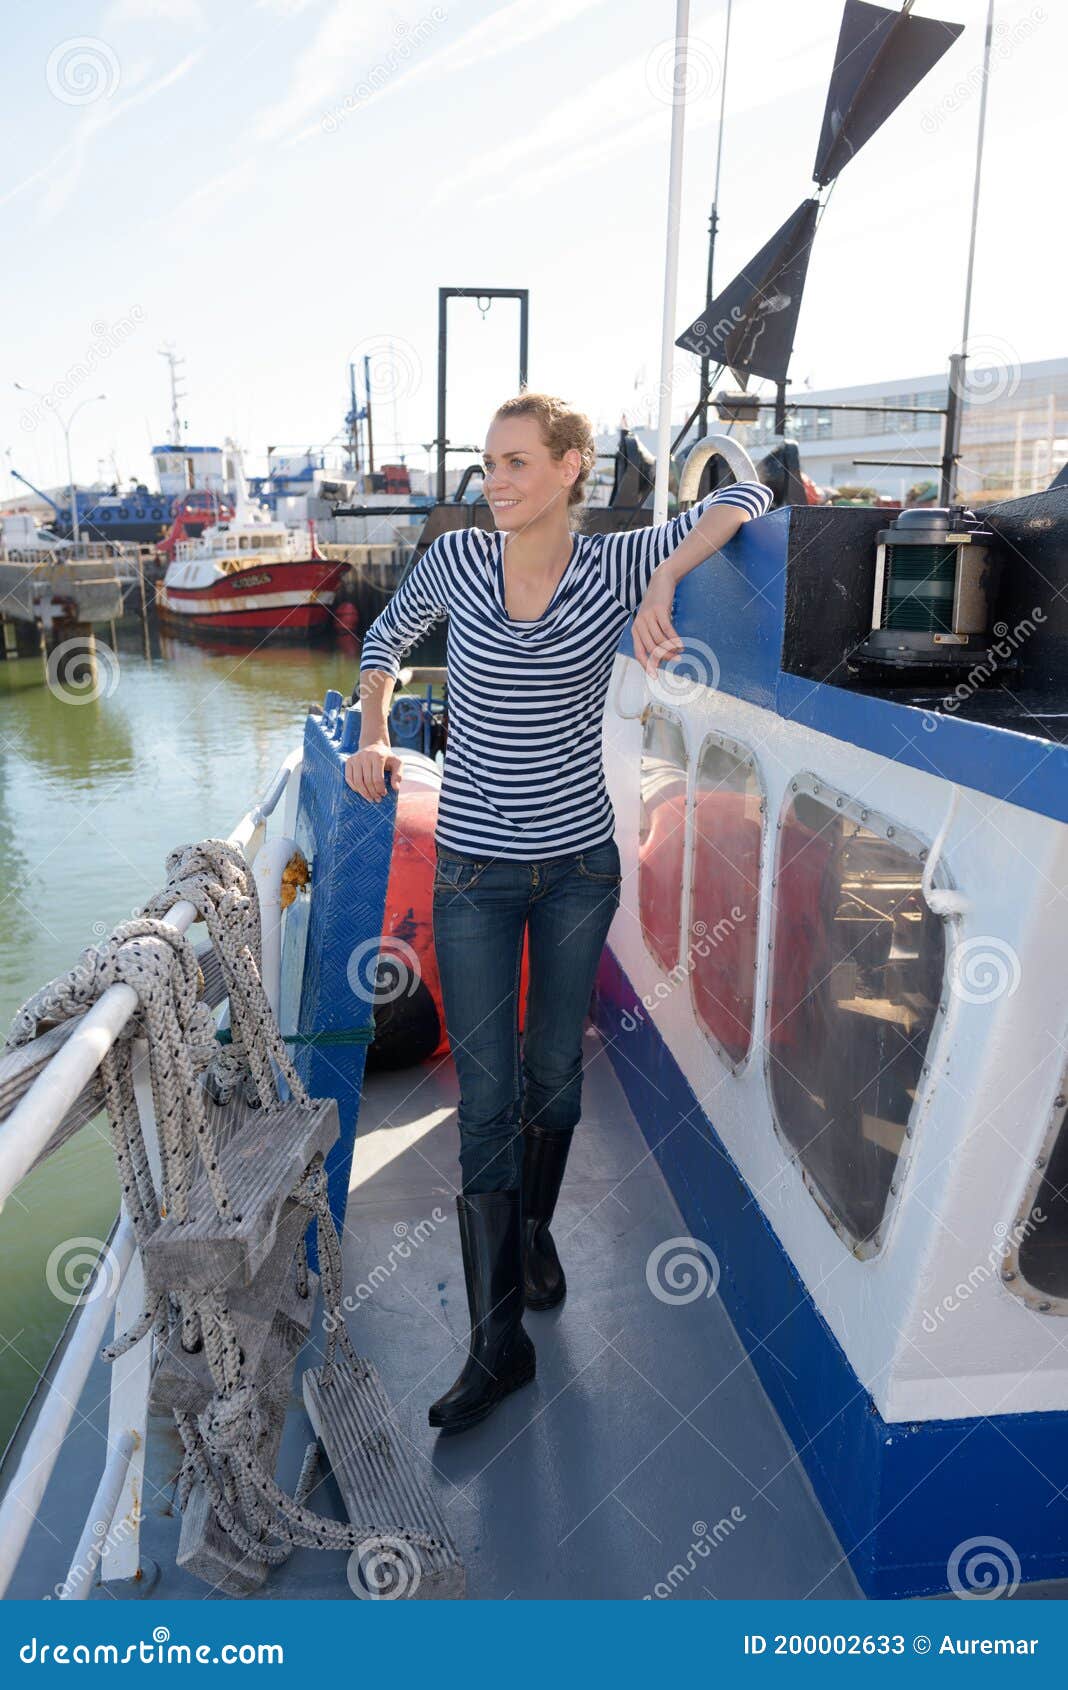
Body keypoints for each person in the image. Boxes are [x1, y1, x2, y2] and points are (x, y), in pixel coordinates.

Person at [345, 392, 773, 1434]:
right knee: (489, 1096)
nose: (496, 479)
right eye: (489, 462)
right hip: (477, 875)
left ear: (574, 467)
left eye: (519, 462)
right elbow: (384, 639)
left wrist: (668, 572)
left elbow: (749, 489)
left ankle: (532, 1230)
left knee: (552, 1077)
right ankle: (499, 1345)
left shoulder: (618, 562)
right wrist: (370, 727)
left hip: (580, 868)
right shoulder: (454, 562)